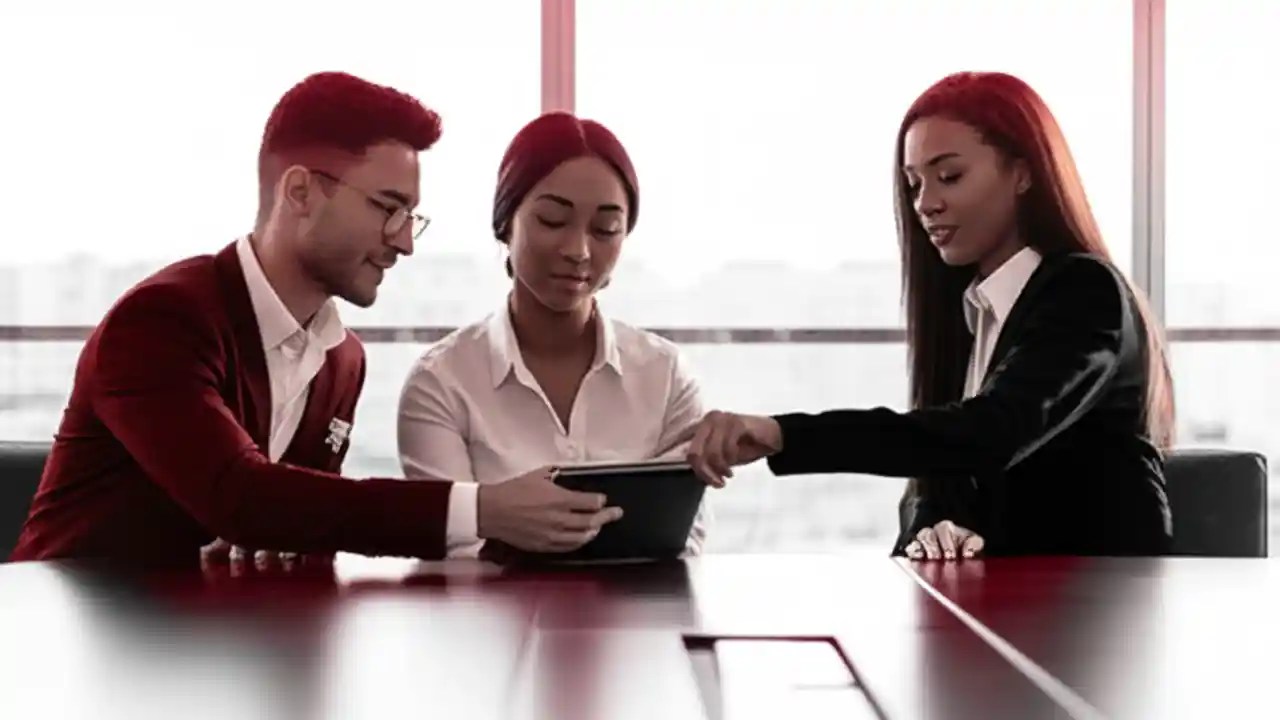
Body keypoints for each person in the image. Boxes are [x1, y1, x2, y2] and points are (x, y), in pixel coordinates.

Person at [10, 72, 620, 567]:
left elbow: (295, 519)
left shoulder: (343, 359)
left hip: (217, 641)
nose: (404, 242)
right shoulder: (161, 322)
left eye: (411, 215)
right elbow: (241, 497)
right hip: (70, 638)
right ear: (300, 192)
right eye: (388, 208)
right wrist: (484, 509)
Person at [678, 71, 1176, 560]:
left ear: (1024, 173)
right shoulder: (975, 314)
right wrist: (930, 528)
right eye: (914, 185)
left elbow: (991, 434)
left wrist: (783, 433)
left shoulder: (1084, 291)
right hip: (1009, 602)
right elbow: (939, 476)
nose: (926, 204)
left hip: (1104, 604)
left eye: (949, 176)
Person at [397, 111, 709, 559]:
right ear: (506, 223)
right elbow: (453, 553)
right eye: (552, 220)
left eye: (605, 229)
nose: (579, 251)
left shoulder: (666, 375)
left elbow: (684, 546)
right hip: (490, 625)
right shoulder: (442, 381)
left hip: (635, 627)